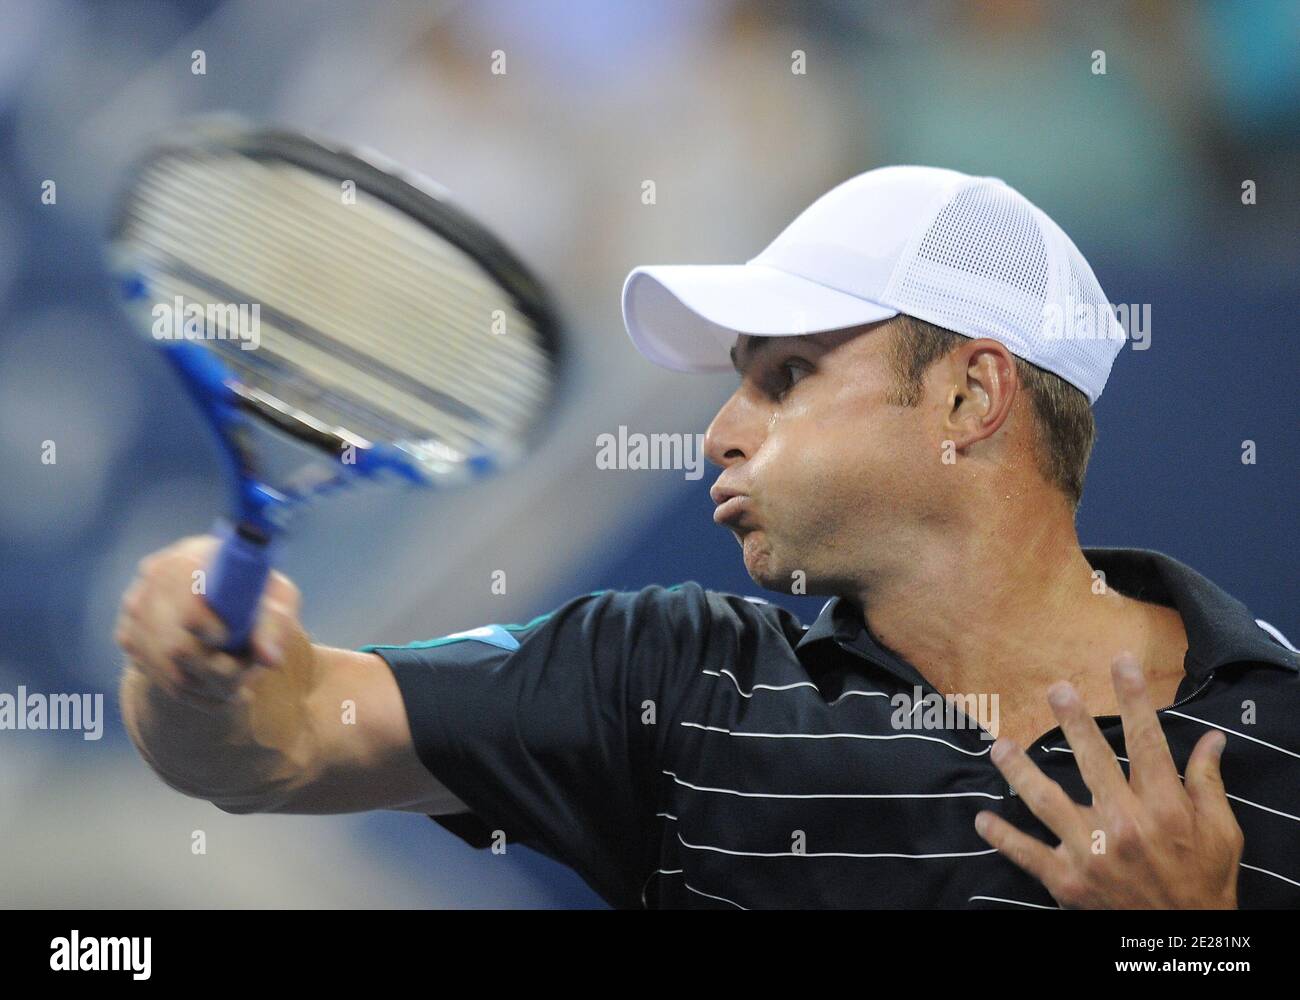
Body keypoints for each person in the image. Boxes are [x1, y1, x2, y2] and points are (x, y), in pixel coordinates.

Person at [116, 166, 1299, 909]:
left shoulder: (1282, 733)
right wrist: (200, 680)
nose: (719, 437)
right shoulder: (662, 679)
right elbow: (277, 746)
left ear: (968, 397)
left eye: (784, 377)